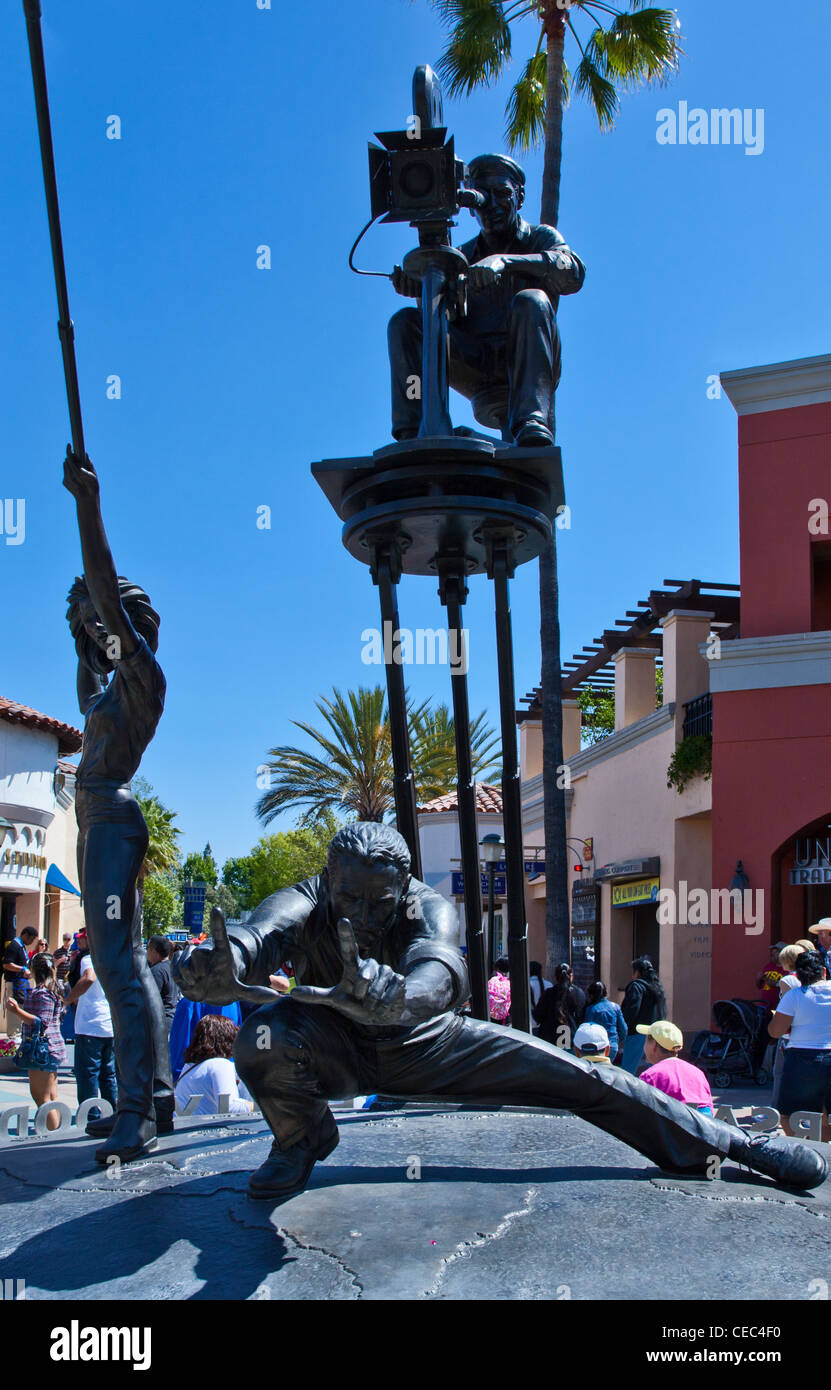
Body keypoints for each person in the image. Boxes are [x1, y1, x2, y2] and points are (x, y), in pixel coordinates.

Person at [175, 822, 826, 1200]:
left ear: (402, 887)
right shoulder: (307, 897)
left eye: (377, 901)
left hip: (429, 1046)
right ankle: (301, 1139)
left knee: (590, 1080)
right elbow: (258, 935)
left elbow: (441, 974)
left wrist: (398, 996)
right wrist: (218, 961)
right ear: (327, 877)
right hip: (336, 1051)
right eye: (347, 896)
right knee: (262, 1035)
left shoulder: (432, 906)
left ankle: (739, 1146)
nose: (360, 914)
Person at [63, 448, 172, 1163]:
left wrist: (86, 505)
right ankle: (155, 1099)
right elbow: (90, 623)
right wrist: (84, 627)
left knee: (121, 970)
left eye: (102, 624)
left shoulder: (142, 681)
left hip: (112, 824)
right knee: (123, 963)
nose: (93, 633)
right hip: (98, 824)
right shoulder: (102, 688)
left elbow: (104, 590)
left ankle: (135, 1109)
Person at [388, 153, 585, 446]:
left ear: (520, 198)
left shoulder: (539, 238)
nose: (492, 205)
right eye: (483, 197)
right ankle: (411, 434)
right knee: (406, 323)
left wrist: (505, 261)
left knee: (532, 301)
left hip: (523, 361)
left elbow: (573, 273)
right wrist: (422, 290)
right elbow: (442, 323)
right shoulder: (460, 258)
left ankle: (531, 421)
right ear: (471, 208)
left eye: (503, 194)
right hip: (476, 363)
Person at [769, 950, 831, 1142]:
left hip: (802, 1057)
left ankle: (806, 1150)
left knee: (787, 1114)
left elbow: (775, 1032)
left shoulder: (794, 996)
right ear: (823, 971)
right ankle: (825, 1150)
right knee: (826, 1115)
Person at [5, 953, 66, 1129]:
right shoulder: (53, 990)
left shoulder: (42, 993)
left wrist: (17, 1011)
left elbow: (41, 1021)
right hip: (50, 1048)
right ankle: (57, 1131)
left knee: (41, 1097)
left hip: (43, 1050)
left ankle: (52, 1133)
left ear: (33, 969)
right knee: (52, 1096)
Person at [65, 947, 117, 1123]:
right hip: (109, 1023)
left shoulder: (90, 958)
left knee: (88, 1075)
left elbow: (89, 977)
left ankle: (91, 1117)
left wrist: (68, 1000)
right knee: (108, 1075)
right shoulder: (114, 957)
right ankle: (113, 1113)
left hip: (90, 1025)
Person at [174, 1015, 253, 1117]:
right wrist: (263, 1106)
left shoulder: (189, 1067)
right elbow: (230, 1108)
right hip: (203, 1129)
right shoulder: (220, 1065)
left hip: (184, 1128)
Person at [636, 1021, 714, 1116]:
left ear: (654, 1045)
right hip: (704, 1127)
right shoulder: (698, 1073)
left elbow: (640, 1114)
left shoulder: (651, 1076)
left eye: (646, 1040)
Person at [168, 997, 243, 1082]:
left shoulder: (233, 1003)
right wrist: (177, 1079)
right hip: (197, 1080)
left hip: (229, 1077)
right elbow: (179, 1046)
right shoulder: (190, 1003)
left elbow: (237, 1041)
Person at [620, 957, 667, 1074]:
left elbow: (631, 1010)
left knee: (628, 1071)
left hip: (636, 1033)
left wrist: (623, 1029)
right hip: (654, 1035)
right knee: (651, 1070)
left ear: (637, 972)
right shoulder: (657, 988)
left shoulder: (636, 986)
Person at [533, 962, 585, 1048]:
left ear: (555, 977)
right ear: (571, 976)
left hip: (549, 1042)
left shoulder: (548, 993)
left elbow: (538, 1016)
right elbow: (581, 1018)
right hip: (571, 1041)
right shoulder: (579, 993)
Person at [3, 925, 36, 1037]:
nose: (31, 942)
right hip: (13, 983)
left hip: (20, 985)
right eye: (31, 939)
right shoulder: (14, 945)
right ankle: (13, 1036)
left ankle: (17, 1034)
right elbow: (7, 964)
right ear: (25, 935)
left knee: (20, 1008)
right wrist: (22, 969)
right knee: (13, 1009)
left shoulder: (22, 946)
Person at [584, 981, 628, 1065]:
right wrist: (617, 1041)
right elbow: (623, 1029)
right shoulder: (615, 1007)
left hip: (597, 1048)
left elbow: (587, 1030)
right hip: (612, 1047)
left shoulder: (591, 1009)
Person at [146, 936, 180, 1031]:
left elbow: (151, 1000)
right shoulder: (172, 967)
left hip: (160, 1022)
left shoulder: (156, 971)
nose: (146, 951)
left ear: (154, 951)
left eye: (147, 948)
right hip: (171, 1019)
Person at [757, 941, 788, 1009]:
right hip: (764, 1005)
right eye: (772, 951)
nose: (772, 953)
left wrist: (776, 984)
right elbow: (759, 986)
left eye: (776, 951)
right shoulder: (768, 966)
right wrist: (758, 979)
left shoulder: (787, 969)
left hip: (778, 1007)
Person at [487, 957, 511, 1024]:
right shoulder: (509, 982)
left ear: (496, 967)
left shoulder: (491, 979)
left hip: (490, 1015)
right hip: (504, 1016)